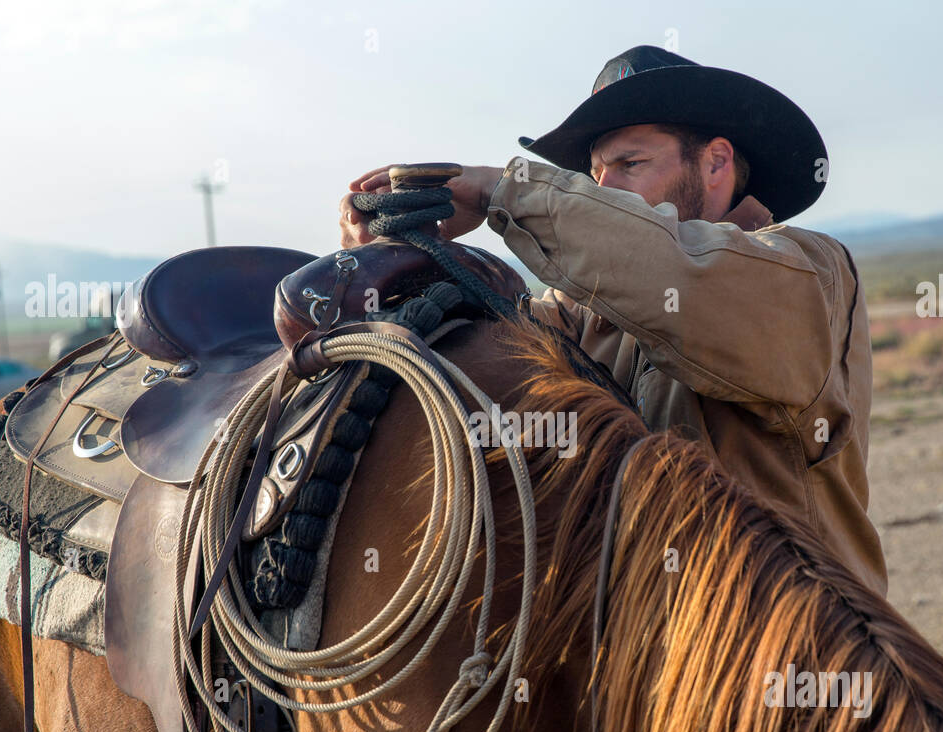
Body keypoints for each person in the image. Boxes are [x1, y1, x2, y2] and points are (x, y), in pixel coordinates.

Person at [341, 46, 888, 598]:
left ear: (716, 163)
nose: (605, 190)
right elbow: (486, 365)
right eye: (596, 174)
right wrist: (402, 253)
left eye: (630, 164)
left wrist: (498, 192)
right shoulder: (588, 311)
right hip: (647, 647)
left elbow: (675, 267)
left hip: (797, 639)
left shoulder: (805, 272)